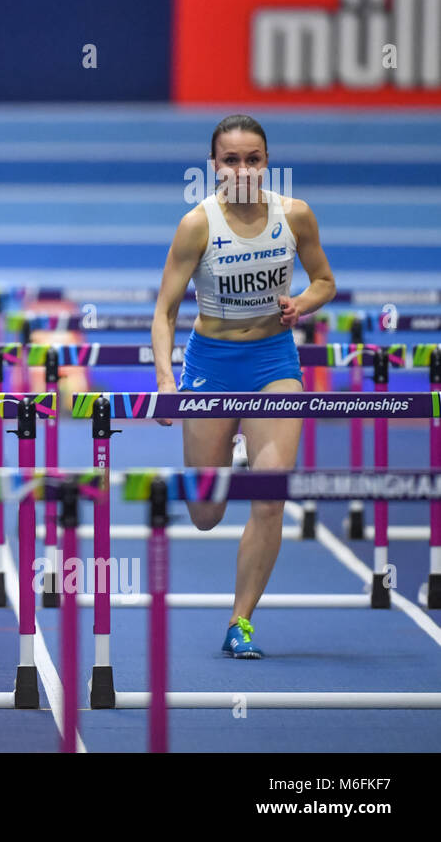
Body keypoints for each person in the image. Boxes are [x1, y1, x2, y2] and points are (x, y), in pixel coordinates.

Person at [152, 114, 336, 658]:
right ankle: (230, 451)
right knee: (205, 515)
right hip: (211, 363)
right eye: (230, 160)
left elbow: (325, 279)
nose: (242, 169)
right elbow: (164, 312)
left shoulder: (295, 216)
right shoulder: (197, 225)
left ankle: (241, 622)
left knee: (271, 492)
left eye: (252, 158)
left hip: (272, 362)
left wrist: (302, 302)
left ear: (266, 162)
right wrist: (167, 380)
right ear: (214, 168)